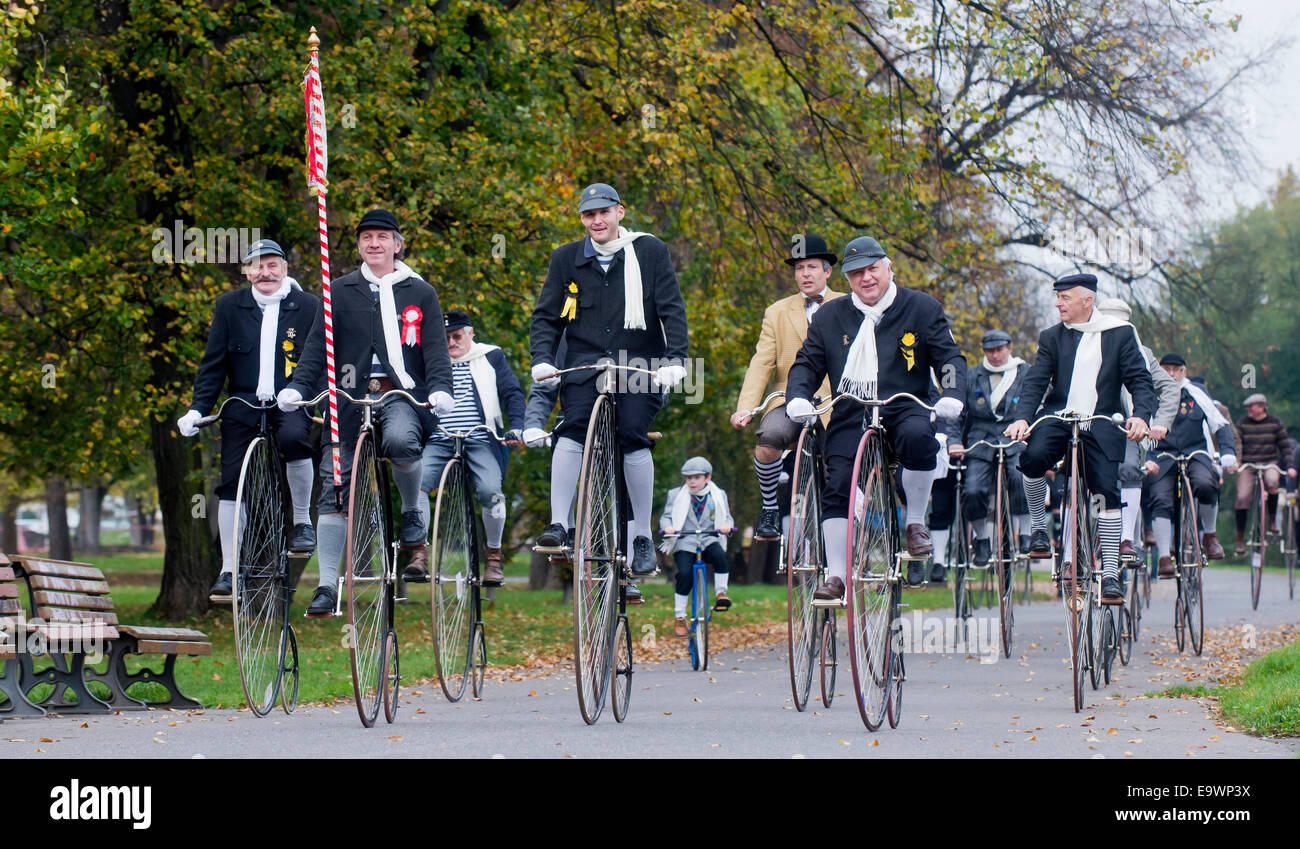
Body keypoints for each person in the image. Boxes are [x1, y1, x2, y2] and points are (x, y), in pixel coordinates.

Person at [277, 209, 456, 617]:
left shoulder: (420, 292)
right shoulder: (338, 290)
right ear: (358, 245)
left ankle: (412, 509)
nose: (373, 244)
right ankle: (325, 586)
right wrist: (297, 388)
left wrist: (441, 390)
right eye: (366, 238)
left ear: (397, 243)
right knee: (334, 482)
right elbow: (314, 353)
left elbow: (435, 351)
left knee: (399, 439)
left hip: (400, 394)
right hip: (349, 397)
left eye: (381, 237)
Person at [784, 236, 967, 600]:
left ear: (887, 268)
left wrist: (951, 394)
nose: (866, 279)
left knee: (919, 439)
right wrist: (797, 397)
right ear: (847, 279)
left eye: (872, 269)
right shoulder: (830, 316)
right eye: (856, 274)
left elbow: (949, 359)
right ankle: (836, 575)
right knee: (836, 480)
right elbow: (806, 363)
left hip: (905, 403)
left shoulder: (922, 307)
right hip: (852, 409)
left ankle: (915, 520)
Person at [530, 183, 689, 577]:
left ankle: (640, 535)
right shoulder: (565, 258)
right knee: (571, 428)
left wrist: (675, 361)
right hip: (586, 363)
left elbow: (672, 310)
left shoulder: (651, 252)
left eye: (604, 212)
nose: (596, 221)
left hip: (639, 364)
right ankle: (559, 525)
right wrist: (542, 361)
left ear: (620, 212)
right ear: (582, 219)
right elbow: (547, 317)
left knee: (632, 431)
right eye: (588, 215)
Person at [177, 239, 320, 599]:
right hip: (242, 402)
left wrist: (304, 394)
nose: (264, 272)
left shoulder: (308, 306)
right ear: (246, 272)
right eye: (256, 266)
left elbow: (318, 360)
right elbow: (213, 364)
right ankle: (228, 568)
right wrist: (198, 408)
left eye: (272, 265)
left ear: (285, 269)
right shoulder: (230, 306)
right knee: (230, 479)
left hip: (291, 400)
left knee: (293, 439)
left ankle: (301, 521)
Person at [1004, 273, 1156, 604]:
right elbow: (1036, 382)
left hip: (1102, 420)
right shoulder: (1051, 337)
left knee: (1106, 489)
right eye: (1057, 297)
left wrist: (1141, 416)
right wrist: (1021, 418)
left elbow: (1140, 381)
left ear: (1088, 300)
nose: (1058, 303)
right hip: (1059, 416)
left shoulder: (1120, 335)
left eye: (1066, 297)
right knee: (1032, 458)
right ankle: (1039, 528)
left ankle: (1112, 574)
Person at [730, 234, 843, 539]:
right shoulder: (777, 311)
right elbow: (762, 363)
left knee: (840, 457)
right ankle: (769, 508)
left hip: (836, 402)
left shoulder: (847, 306)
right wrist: (746, 408)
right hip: (788, 398)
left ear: (827, 271)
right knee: (768, 440)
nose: (805, 274)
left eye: (812, 267)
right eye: (799, 268)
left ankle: (844, 522)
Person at [405, 309, 525, 586]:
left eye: (457, 336)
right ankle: (419, 554)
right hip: (440, 436)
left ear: (471, 334)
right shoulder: (432, 360)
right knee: (417, 484)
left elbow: (512, 392)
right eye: (445, 337)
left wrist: (516, 425)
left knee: (490, 490)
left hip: (481, 436)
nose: (451, 342)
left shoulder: (490, 356)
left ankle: (493, 556)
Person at [1095, 297, 1179, 561]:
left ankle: (1125, 538)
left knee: (1129, 468)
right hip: (1092, 425)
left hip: (1130, 425)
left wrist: (1162, 423)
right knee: (1073, 477)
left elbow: (1170, 387)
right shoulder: (1083, 347)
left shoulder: (1143, 354)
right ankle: (1069, 551)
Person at [1143, 353, 1235, 575]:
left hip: (1195, 451)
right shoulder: (1150, 394)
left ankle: (1210, 537)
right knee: (1160, 498)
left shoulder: (1196, 392)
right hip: (1163, 454)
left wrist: (1228, 452)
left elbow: (1220, 424)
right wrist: (1147, 458)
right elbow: (1142, 426)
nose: (1172, 374)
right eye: (1167, 369)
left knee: (1206, 483)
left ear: (1184, 371)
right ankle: (1165, 557)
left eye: (1177, 369)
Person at [947, 330, 1031, 569]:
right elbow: (957, 413)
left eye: (999, 350)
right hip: (980, 441)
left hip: (1015, 438)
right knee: (972, 489)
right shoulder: (972, 375)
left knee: (1020, 478)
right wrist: (954, 440)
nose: (994, 355)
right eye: (990, 351)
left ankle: (1025, 534)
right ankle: (981, 538)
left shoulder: (1025, 373)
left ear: (1009, 348)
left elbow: (1036, 406)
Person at [659, 457, 735, 636]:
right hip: (685, 540)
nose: (692, 482)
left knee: (720, 556)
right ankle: (680, 616)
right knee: (684, 574)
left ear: (707, 478)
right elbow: (666, 517)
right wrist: (667, 527)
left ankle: (721, 594)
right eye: (688, 478)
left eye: (697, 477)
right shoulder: (675, 494)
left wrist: (727, 527)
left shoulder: (718, 495)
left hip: (709, 538)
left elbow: (727, 517)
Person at [1232, 393, 1297, 553]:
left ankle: (1272, 520)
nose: (1248, 409)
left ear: (1261, 407)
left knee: (1273, 482)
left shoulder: (1275, 423)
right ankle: (1240, 538)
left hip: (1269, 463)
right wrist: (1235, 462)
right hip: (1248, 464)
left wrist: (1290, 467)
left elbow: (1285, 448)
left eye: (1251, 406)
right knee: (1242, 497)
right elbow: (1237, 445)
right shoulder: (1243, 423)